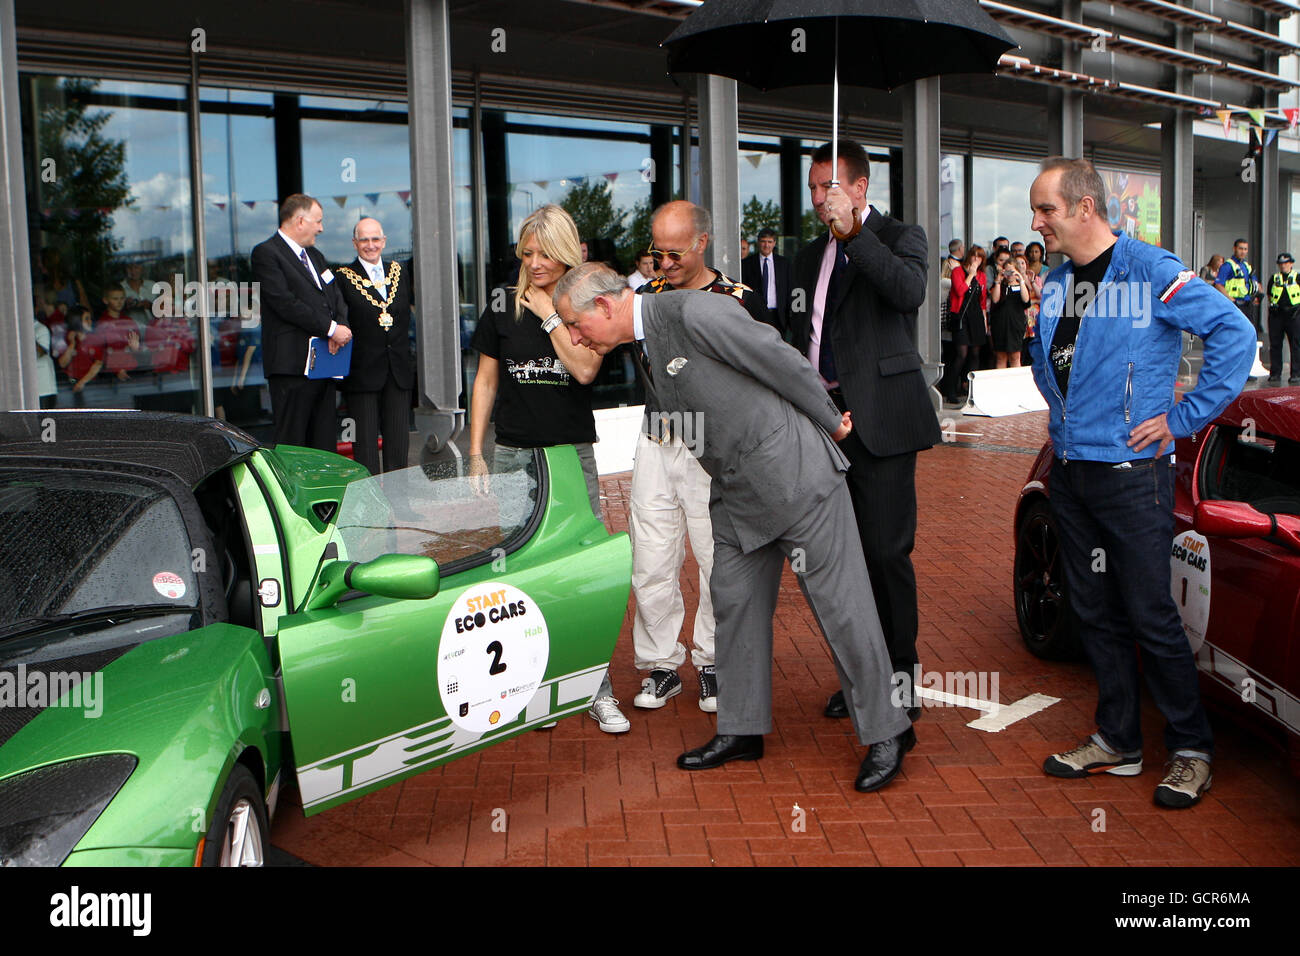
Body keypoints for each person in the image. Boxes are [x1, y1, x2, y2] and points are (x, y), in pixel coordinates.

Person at [556, 262, 914, 792]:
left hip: (795, 477)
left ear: (605, 306)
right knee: (735, 605)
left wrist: (833, 420)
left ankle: (888, 731)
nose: (575, 336)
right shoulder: (644, 335)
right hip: (732, 492)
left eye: (575, 324)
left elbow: (782, 362)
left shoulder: (696, 310)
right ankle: (743, 730)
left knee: (842, 608)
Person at [1028, 156, 1255, 808]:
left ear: (1084, 208)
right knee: (1093, 611)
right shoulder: (1055, 279)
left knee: (1152, 616)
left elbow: (1234, 334)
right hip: (1071, 471)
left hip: (1132, 478)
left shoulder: (1150, 270)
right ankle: (1118, 739)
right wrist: (1064, 422)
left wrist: (1180, 418)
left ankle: (1190, 750)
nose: (1036, 221)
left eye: (1046, 208)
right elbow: (1052, 365)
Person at [790, 139, 940, 724]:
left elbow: (908, 293)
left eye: (829, 186)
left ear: (859, 188)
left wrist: (856, 238)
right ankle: (861, 677)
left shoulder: (903, 237)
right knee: (839, 560)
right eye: (812, 187)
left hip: (881, 423)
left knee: (885, 553)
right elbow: (795, 337)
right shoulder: (806, 258)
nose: (819, 198)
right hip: (824, 426)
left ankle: (900, 678)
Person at [467, 204, 628, 734]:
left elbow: (584, 369)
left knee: (582, 567)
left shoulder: (585, 306)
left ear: (564, 252)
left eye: (543, 253)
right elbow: (486, 383)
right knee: (522, 573)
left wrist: (551, 315)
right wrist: (475, 453)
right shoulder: (500, 309)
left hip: (569, 454)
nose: (534, 263)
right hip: (513, 454)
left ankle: (596, 688)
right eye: (526, 253)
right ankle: (536, 688)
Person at [630, 200, 763, 713]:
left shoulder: (738, 300)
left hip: (713, 446)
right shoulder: (643, 299)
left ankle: (712, 662)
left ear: (702, 243)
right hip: (655, 439)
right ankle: (661, 667)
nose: (663, 264)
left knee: (716, 560)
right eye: (656, 253)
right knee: (651, 560)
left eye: (674, 253)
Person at [251, 194, 351, 452]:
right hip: (291, 368)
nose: (321, 228)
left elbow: (335, 294)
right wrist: (330, 329)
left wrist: (341, 327)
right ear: (299, 221)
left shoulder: (315, 256)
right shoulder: (266, 253)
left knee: (324, 443)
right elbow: (284, 303)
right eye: (317, 221)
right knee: (294, 445)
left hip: (323, 365)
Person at [336, 217, 414, 474]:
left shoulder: (400, 272)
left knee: (398, 443)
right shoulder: (343, 277)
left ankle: (400, 505)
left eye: (375, 239)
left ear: (384, 241)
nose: (370, 245)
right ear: (354, 243)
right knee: (366, 447)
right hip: (362, 372)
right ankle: (370, 509)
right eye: (364, 240)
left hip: (398, 369)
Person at [942, 245, 988, 404]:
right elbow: (960, 290)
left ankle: (969, 388)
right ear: (969, 257)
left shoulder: (982, 275)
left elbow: (982, 300)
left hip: (976, 317)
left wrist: (985, 320)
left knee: (975, 353)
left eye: (980, 257)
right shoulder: (957, 272)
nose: (976, 260)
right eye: (974, 256)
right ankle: (950, 389)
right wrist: (970, 275)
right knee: (961, 353)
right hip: (961, 316)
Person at [741, 227, 791, 334]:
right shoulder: (747, 264)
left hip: (779, 316)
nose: (766, 245)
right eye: (763, 241)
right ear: (758, 243)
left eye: (769, 242)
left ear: (774, 243)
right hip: (756, 315)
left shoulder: (784, 264)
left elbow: (789, 289)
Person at [988, 249, 1029, 368]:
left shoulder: (1021, 285)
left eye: (1012, 271)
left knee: (1015, 356)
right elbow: (995, 300)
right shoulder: (999, 285)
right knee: (1001, 357)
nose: (1010, 275)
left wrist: (1020, 280)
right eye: (1007, 272)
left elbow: (1026, 301)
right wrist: (998, 281)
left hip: (1015, 324)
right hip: (1000, 324)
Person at [1267, 252, 1300, 385]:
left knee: (1296, 345)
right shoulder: (1274, 278)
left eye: (1286, 263)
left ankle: (1296, 373)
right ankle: (1275, 373)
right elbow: (1270, 294)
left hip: (1294, 315)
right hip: (1277, 315)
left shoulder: (1297, 277)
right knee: (1275, 345)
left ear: (1291, 264)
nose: (1283, 266)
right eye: (1281, 264)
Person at [1215, 238, 1262, 333]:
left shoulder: (1246, 266)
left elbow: (1255, 283)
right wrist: (1231, 299)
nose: (1243, 252)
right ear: (1234, 249)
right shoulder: (1228, 266)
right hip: (1234, 304)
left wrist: (1258, 295)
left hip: (1247, 304)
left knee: (1247, 331)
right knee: (1233, 332)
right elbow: (1218, 285)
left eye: (1245, 249)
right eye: (1241, 248)